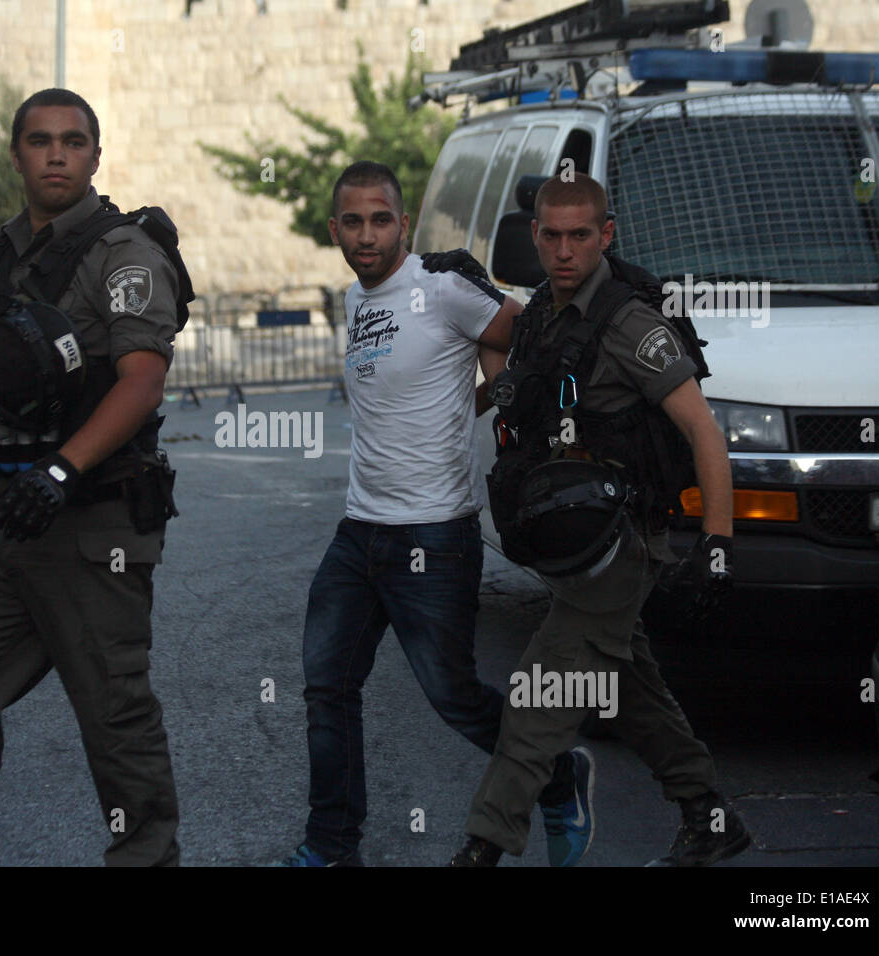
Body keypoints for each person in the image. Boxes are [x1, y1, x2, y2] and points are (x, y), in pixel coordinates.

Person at [0, 88, 188, 866]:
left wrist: (61, 469)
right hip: (10, 518)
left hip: (92, 522)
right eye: (38, 141)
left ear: (95, 154)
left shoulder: (123, 253)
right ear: (16, 155)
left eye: (72, 141)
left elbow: (141, 381)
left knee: (114, 718)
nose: (56, 153)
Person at [276, 161, 595, 867]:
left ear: (404, 224)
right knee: (327, 688)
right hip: (359, 530)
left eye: (380, 219)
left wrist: (505, 396)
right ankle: (330, 848)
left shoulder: (442, 287)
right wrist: (464, 403)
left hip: (434, 533)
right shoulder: (356, 301)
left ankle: (554, 773)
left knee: (453, 697)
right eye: (352, 222)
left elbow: (531, 338)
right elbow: (424, 391)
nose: (367, 234)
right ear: (335, 230)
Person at [450, 172, 749, 867]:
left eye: (579, 235)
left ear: (605, 234)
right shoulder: (544, 315)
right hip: (576, 542)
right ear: (535, 237)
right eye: (551, 236)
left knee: (539, 694)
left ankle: (483, 847)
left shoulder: (629, 323)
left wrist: (719, 545)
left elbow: (704, 431)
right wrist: (474, 298)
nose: (564, 250)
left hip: (621, 545)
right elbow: (506, 392)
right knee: (626, 685)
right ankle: (709, 817)